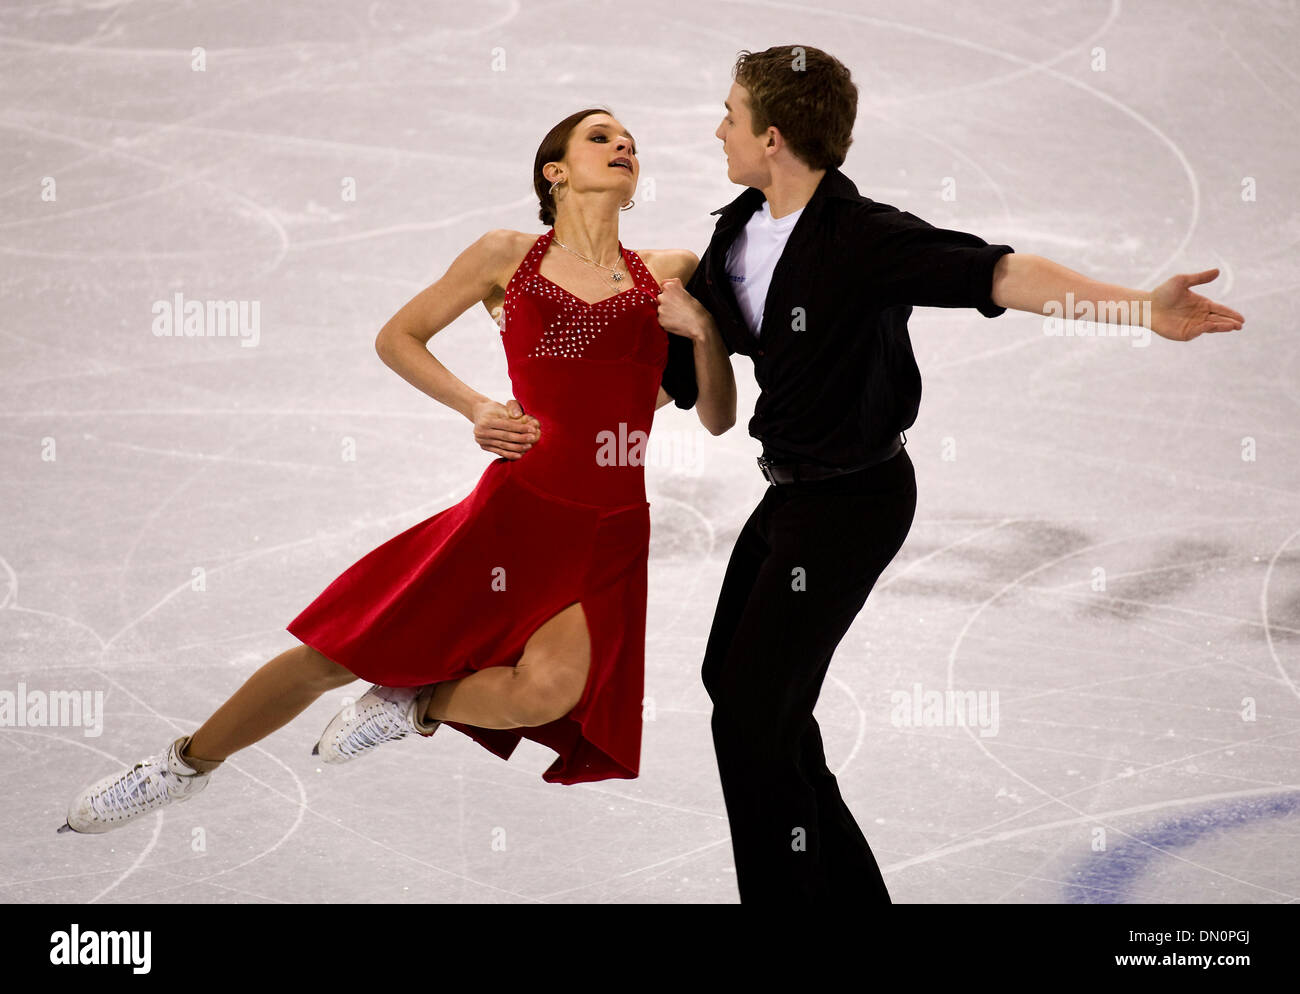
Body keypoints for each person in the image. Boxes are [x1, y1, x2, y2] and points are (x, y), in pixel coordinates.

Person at [672, 45, 1245, 903]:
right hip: (788, 494)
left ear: (775, 136)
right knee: (743, 691)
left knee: (755, 721)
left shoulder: (863, 239)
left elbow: (1004, 274)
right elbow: (689, 313)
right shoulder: (739, 232)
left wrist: (1137, 308)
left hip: (852, 502)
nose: (718, 128)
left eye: (730, 114)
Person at [60, 108, 736, 834]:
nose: (622, 145)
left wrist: (702, 334)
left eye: (629, 141)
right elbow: (398, 336)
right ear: (556, 170)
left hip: (609, 529)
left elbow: (712, 415)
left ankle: (416, 703)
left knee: (548, 693)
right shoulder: (506, 256)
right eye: (600, 138)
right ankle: (181, 766)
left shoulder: (670, 272)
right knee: (336, 653)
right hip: (518, 514)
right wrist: (476, 406)